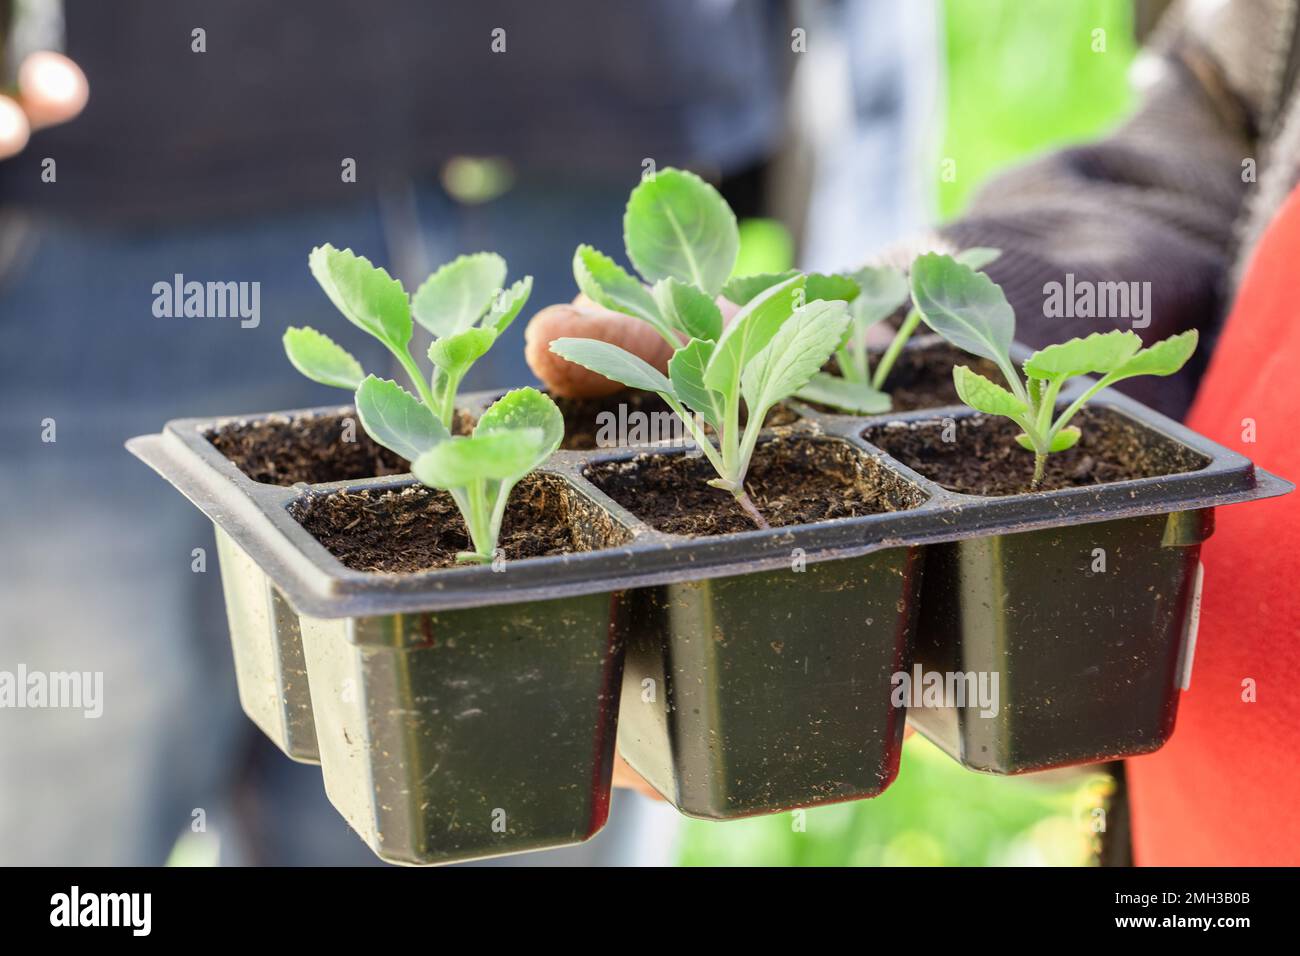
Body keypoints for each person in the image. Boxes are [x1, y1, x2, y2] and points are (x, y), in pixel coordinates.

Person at [0, 0, 933, 865]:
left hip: (593, 154)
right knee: (58, 827)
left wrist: (862, 250)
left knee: (528, 809)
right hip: (105, 198)